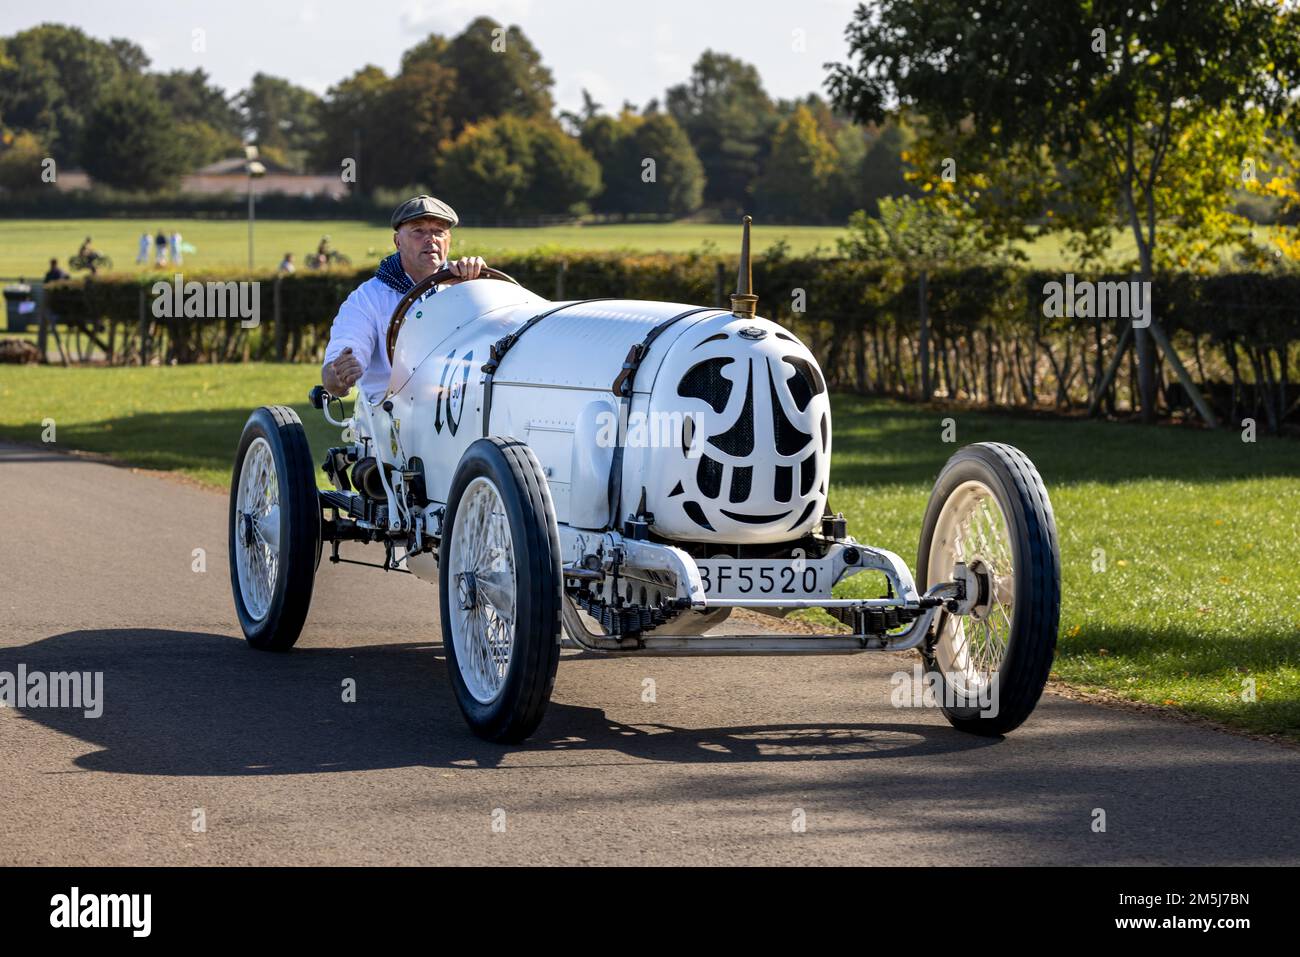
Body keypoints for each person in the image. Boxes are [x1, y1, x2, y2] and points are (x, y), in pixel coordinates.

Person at [321, 194, 486, 404]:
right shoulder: (368, 298)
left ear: (449, 240)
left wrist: (481, 285)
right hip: (390, 418)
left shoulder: (468, 286)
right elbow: (340, 361)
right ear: (397, 241)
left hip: (465, 408)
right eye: (418, 231)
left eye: (438, 231)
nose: (431, 239)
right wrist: (338, 375)